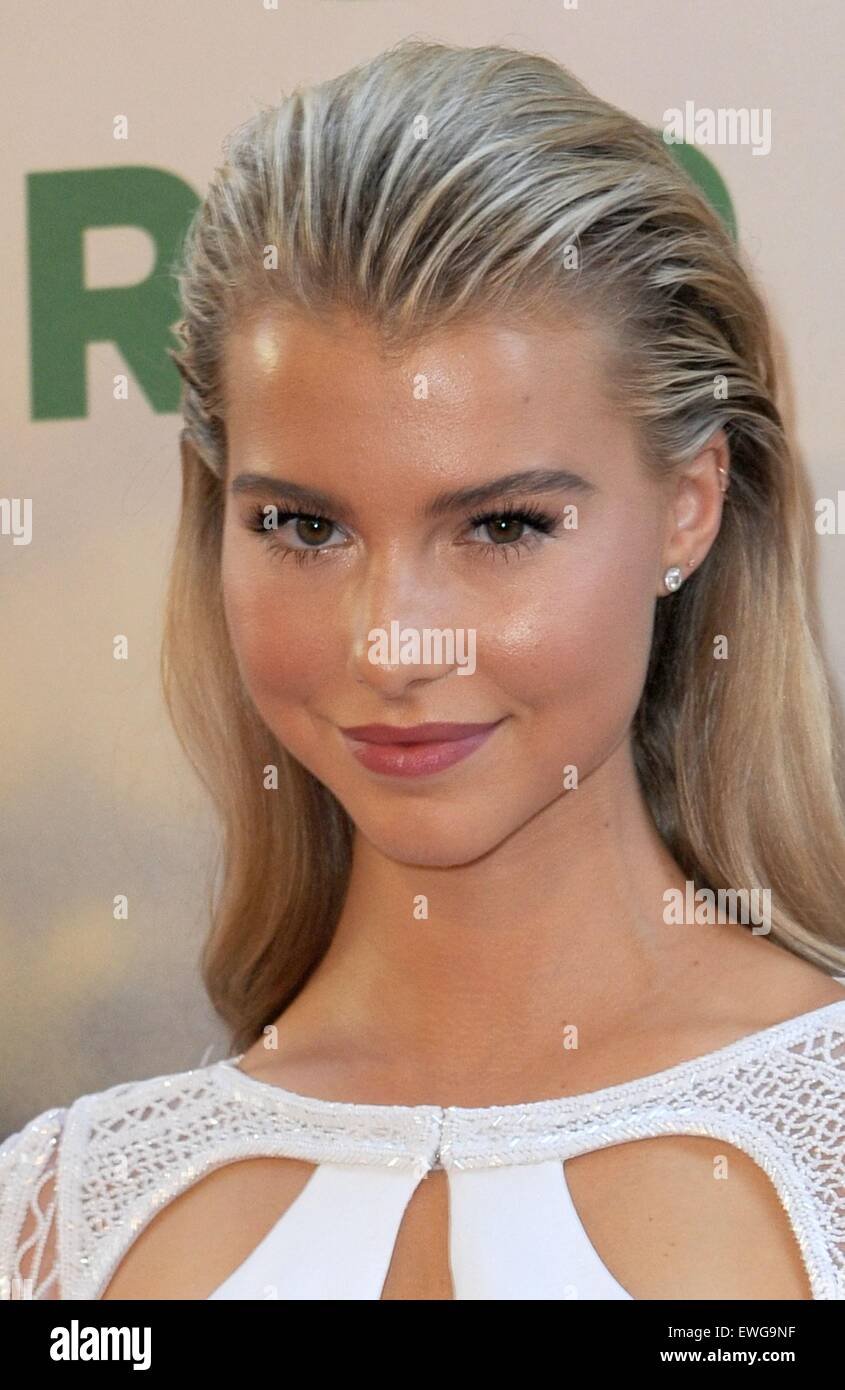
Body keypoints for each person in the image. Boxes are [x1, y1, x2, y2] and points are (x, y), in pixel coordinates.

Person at [2, 38, 845, 1303]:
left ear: (687, 506)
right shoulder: (63, 1220)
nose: (391, 644)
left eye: (501, 526)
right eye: (303, 526)